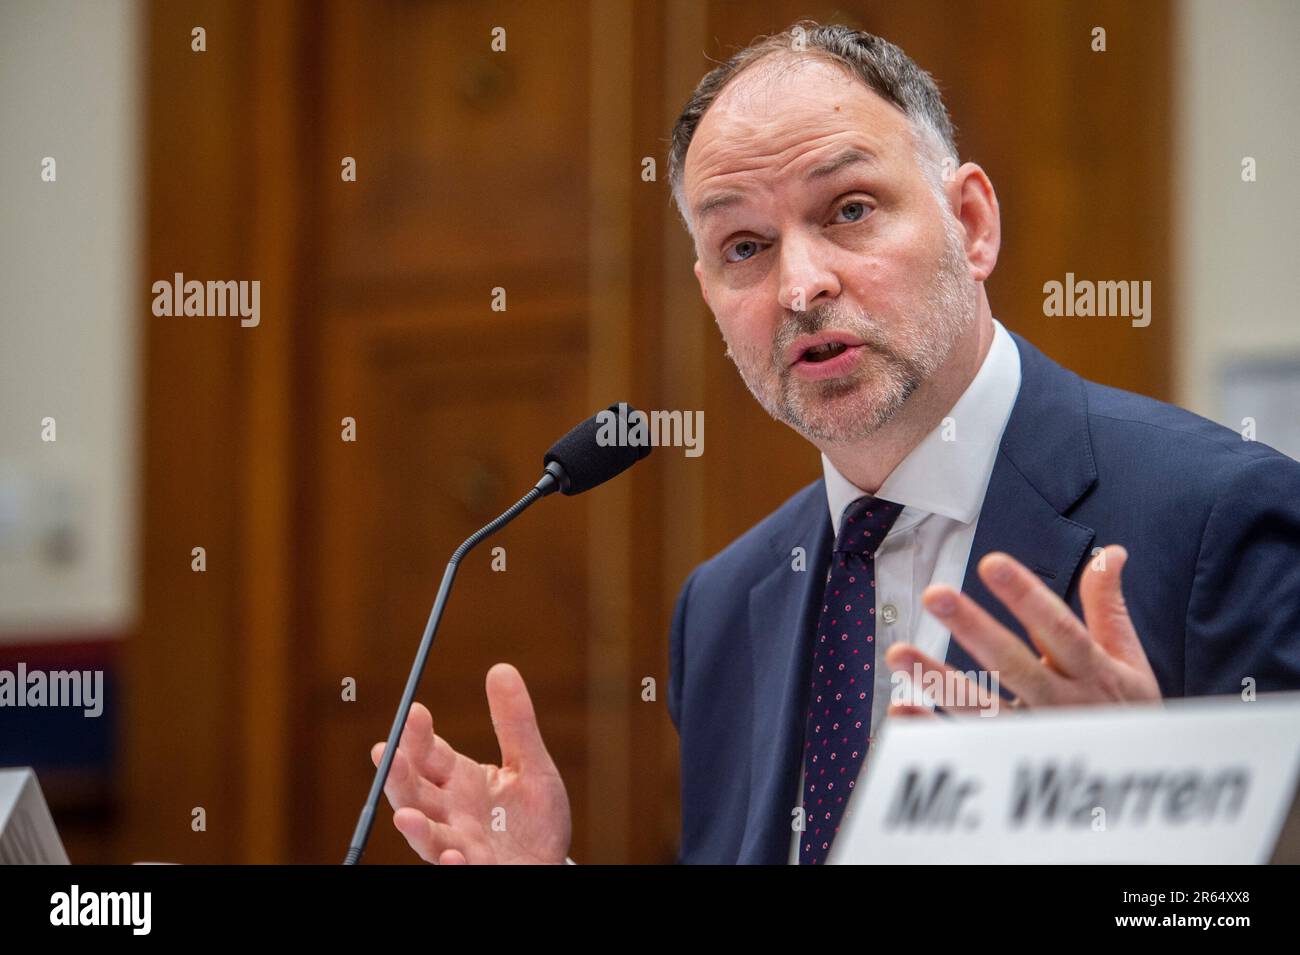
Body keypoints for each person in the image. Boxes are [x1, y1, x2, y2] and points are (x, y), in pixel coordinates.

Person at [371, 21, 1300, 864]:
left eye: (849, 209)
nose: (800, 285)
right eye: (744, 246)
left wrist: (1158, 832)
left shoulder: (1223, 520)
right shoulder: (725, 608)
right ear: (710, 295)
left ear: (970, 223)